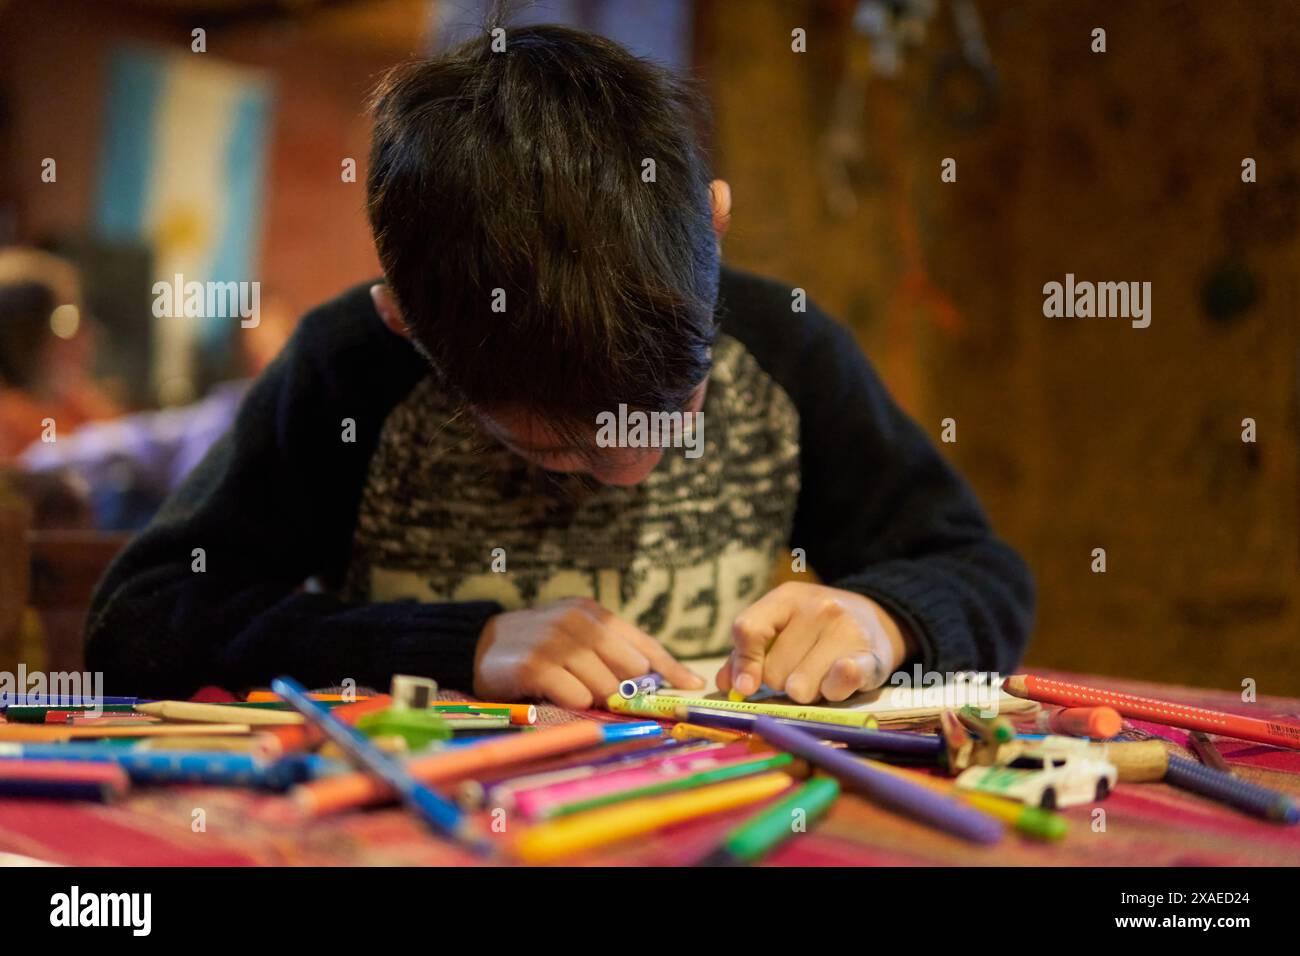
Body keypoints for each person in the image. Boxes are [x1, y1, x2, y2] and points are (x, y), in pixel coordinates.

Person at [86, 24, 1034, 706]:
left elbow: (982, 573)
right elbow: (139, 622)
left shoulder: (787, 347)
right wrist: (460, 647)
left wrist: (890, 618)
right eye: (560, 450)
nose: (633, 466)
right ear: (407, 324)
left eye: (676, 405)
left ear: (713, 217)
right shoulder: (349, 371)